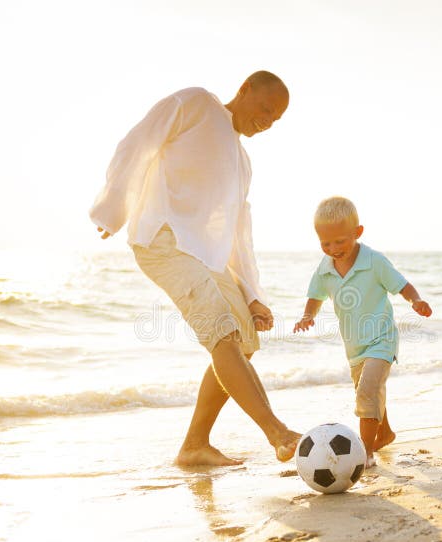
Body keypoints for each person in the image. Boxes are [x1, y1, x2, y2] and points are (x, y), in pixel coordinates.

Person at [89, 71, 301, 466]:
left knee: (246, 340)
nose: (268, 121)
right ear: (245, 89)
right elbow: (139, 141)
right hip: (163, 239)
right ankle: (277, 432)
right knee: (222, 333)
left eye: (276, 119)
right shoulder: (197, 104)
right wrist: (112, 210)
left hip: (207, 257)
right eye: (266, 109)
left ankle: (194, 445)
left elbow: (239, 232)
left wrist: (254, 296)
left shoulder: (243, 162)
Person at [293, 197, 432, 467]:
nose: (333, 249)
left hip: (382, 339)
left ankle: (365, 453)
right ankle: (385, 432)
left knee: (367, 391)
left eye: (340, 241)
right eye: (325, 243)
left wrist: (415, 300)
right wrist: (307, 316)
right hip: (354, 347)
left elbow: (401, 284)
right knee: (370, 390)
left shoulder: (374, 261)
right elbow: (315, 296)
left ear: (358, 233)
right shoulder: (324, 269)